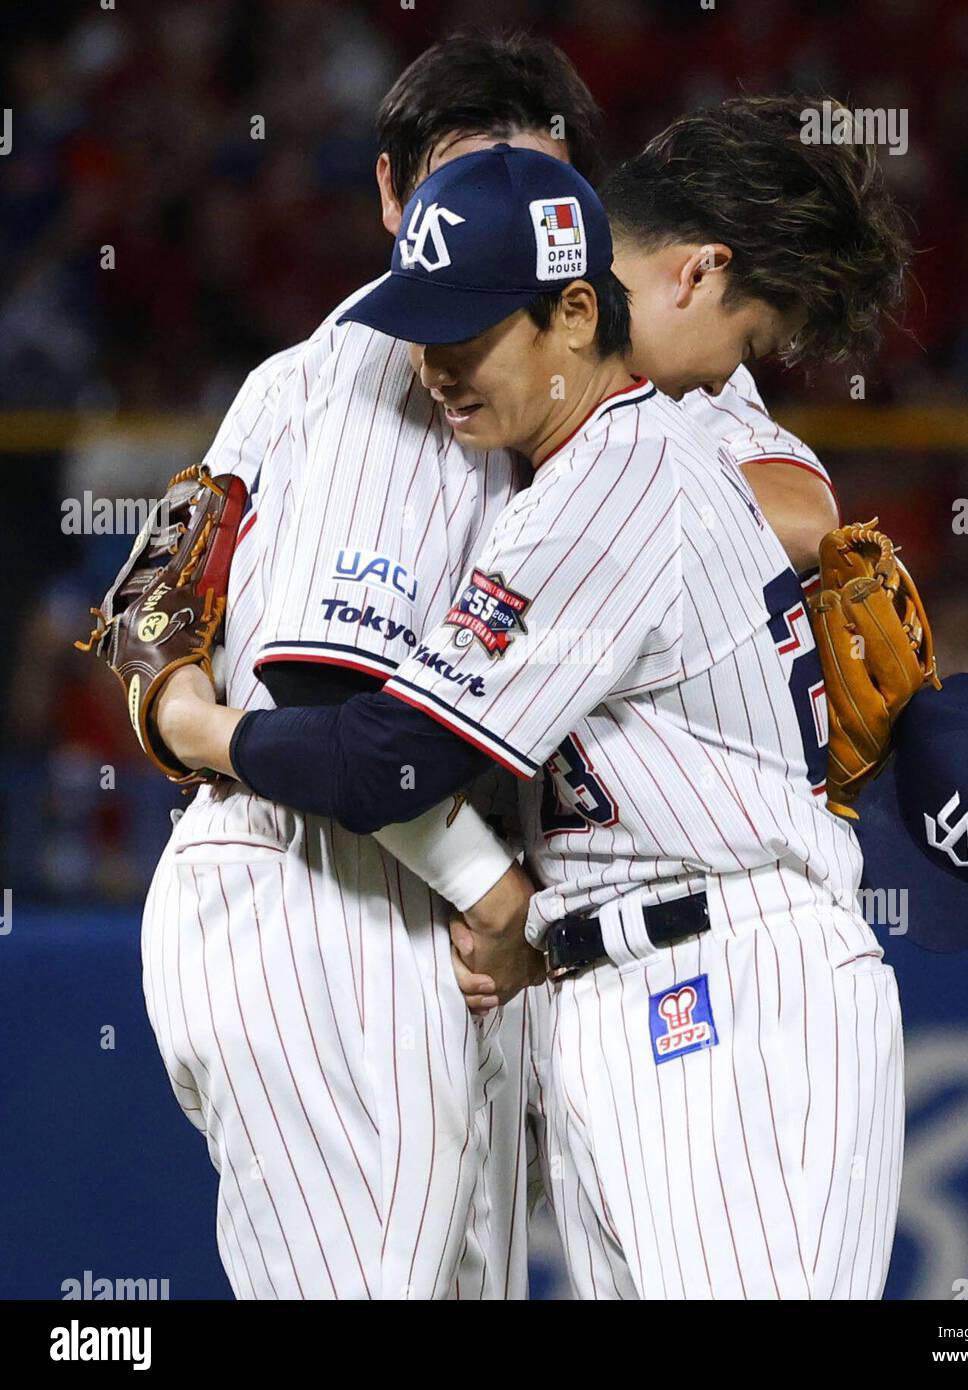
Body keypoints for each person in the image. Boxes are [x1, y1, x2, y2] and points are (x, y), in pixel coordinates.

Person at [153, 145, 905, 1300]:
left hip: (738, 981)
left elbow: (389, 759)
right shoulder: (588, 465)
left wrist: (200, 729)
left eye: (469, 336)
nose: (435, 367)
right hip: (613, 979)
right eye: (424, 331)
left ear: (572, 311)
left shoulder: (619, 475)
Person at [139, 31, 603, 1301]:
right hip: (330, 875)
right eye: (464, 179)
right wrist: (498, 895)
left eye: (536, 184)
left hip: (390, 885)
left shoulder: (506, 382)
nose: (501, 214)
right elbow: (327, 703)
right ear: (396, 198)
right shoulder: (381, 368)